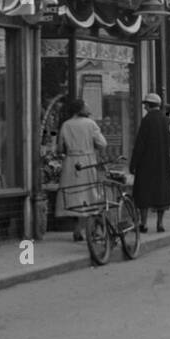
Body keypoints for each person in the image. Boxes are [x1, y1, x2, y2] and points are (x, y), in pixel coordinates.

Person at [57, 99, 106, 242]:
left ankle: (77, 230)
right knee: (92, 195)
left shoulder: (65, 125)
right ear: (80, 109)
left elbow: (60, 148)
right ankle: (95, 230)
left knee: (74, 194)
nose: (89, 108)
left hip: (71, 162)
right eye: (86, 106)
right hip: (87, 161)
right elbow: (102, 143)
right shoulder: (90, 124)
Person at [130, 92, 170, 233]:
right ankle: (160, 224)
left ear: (149, 106)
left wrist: (133, 164)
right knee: (162, 193)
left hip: (146, 163)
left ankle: (144, 224)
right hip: (163, 162)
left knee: (144, 193)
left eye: (145, 105)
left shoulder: (146, 120)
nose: (144, 108)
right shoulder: (167, 120)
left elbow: (140, 144)